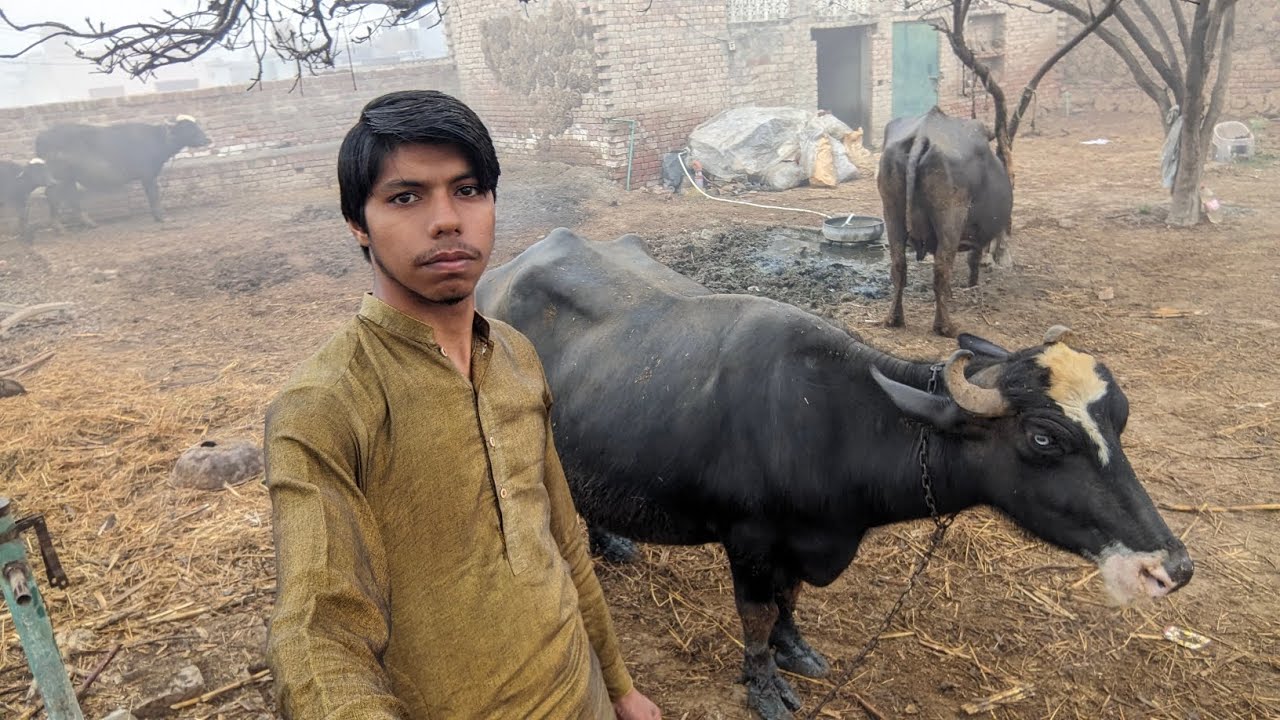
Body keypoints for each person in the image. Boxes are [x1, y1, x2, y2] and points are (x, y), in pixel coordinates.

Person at [264, 89, 662, 720]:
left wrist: (617, 686)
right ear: (357, 223)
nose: (447, 219)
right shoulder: (326, 406)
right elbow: (318, 634)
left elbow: (561, 537)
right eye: (405, 196)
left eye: (468, 189)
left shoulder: (516, 356)